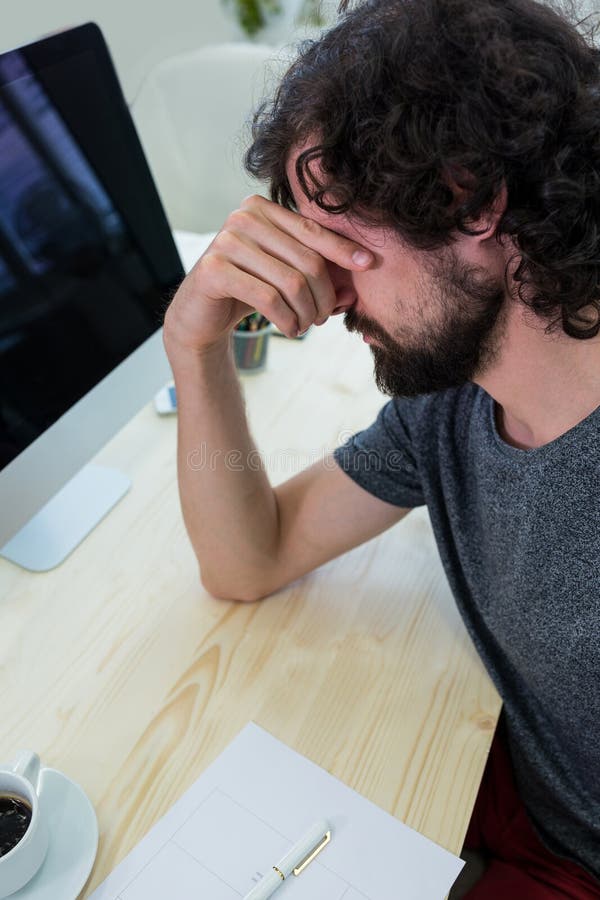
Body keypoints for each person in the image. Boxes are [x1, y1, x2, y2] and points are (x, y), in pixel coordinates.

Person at [163, 0, 600, 895]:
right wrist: (193, 345)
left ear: (469, 199)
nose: (323, 292)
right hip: (523, 788)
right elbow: (251, 558)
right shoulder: (455, 401)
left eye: (338, 235)